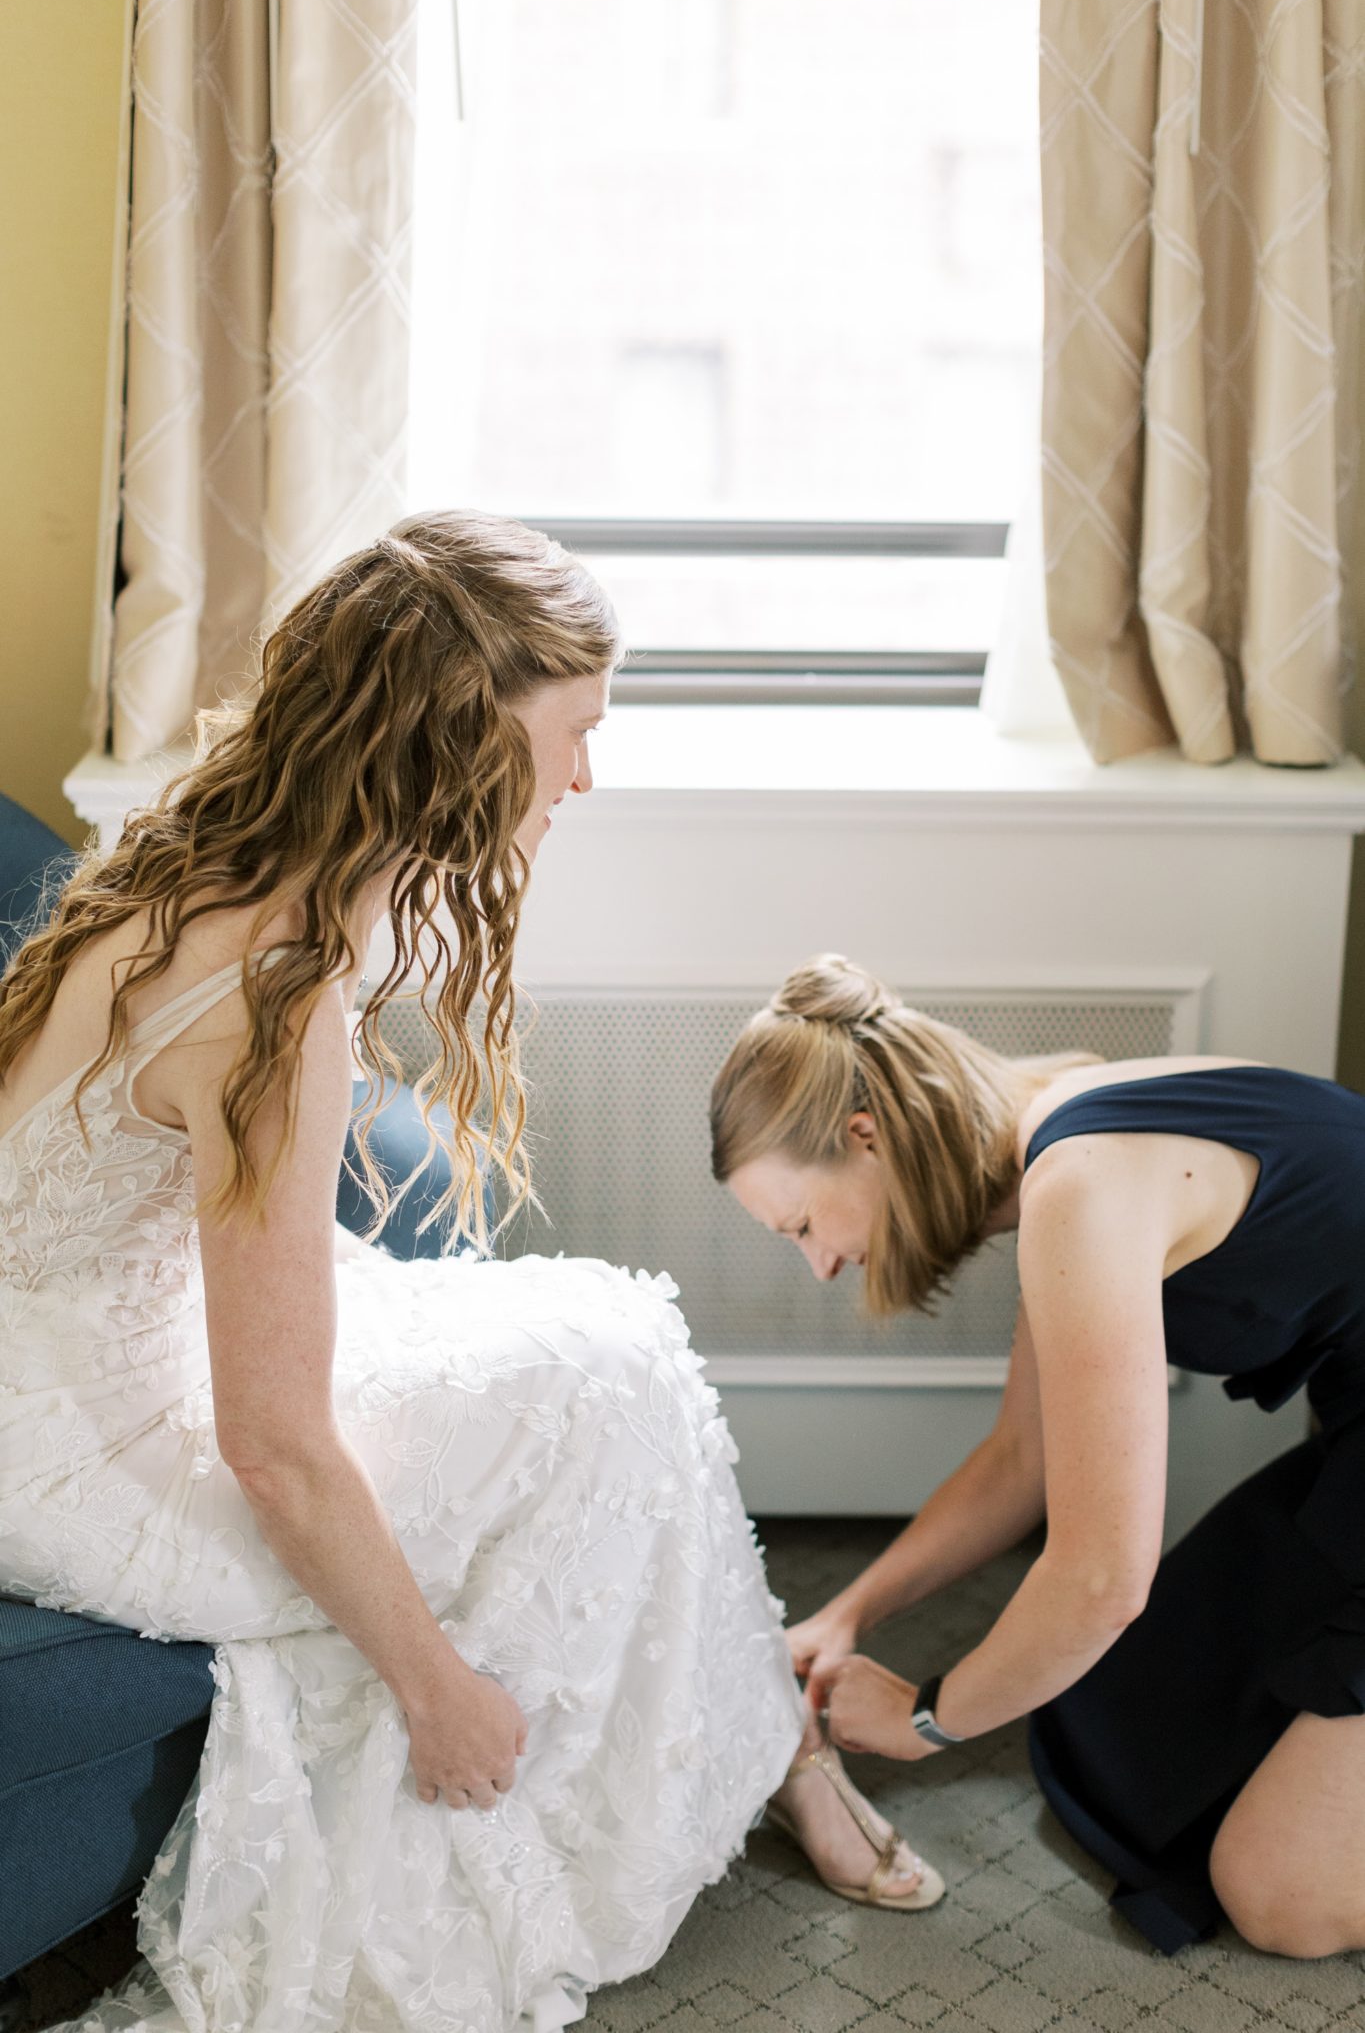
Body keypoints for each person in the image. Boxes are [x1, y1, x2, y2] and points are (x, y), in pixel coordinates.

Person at [0, 520, 931, 2033]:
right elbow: (277, 1450)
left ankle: (770, 1739)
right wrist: (436, 1687)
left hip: (52, 1360)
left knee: (612, 1341)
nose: (584, 781)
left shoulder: (204, 855)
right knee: (600, 1402)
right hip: (81, 1455)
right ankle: (769, 1748)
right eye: (574, 737)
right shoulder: (269, 990)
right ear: (454, 737)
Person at [711, 951, 1365, 1960]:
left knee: (1278, 1892)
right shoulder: (1051, 1115)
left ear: (866, 1133)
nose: (822, 1261)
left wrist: (931, 1716)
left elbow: (1105, 1578)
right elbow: (1023, 1460)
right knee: (1117, 1726)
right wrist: (851, 1611)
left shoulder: (1081, 1186)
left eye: (802, 1221)